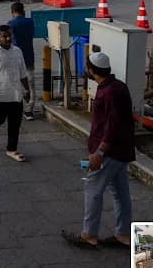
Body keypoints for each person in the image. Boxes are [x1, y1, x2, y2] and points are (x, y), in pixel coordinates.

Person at [61, 52, 134, 249]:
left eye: (87, 67)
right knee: (120, 193)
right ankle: (123, 234)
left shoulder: (108, 92)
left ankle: (89, 235)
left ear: (92, 70)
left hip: (109, 152)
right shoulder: (118, 86)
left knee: (93, 189)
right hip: (121, 151)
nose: (85, 70)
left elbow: (112, 126)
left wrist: (99, 153)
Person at [0, 25, 32, 162]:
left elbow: (23, 73)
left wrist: (27, 90)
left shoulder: (17, 51)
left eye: (9, 36)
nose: (8, 39)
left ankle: (11, 149)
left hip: (16, 95)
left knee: (15, 125)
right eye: (4, 36)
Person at [8, 2, 36, 120]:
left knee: (17, 84)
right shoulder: (30, 22)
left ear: (12, 12)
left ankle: (17, 108)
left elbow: (13, 42)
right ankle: (29, 111)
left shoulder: (11, 24)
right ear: (23, 11)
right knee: (30, 84)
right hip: (29, 58)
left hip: (16, 59)